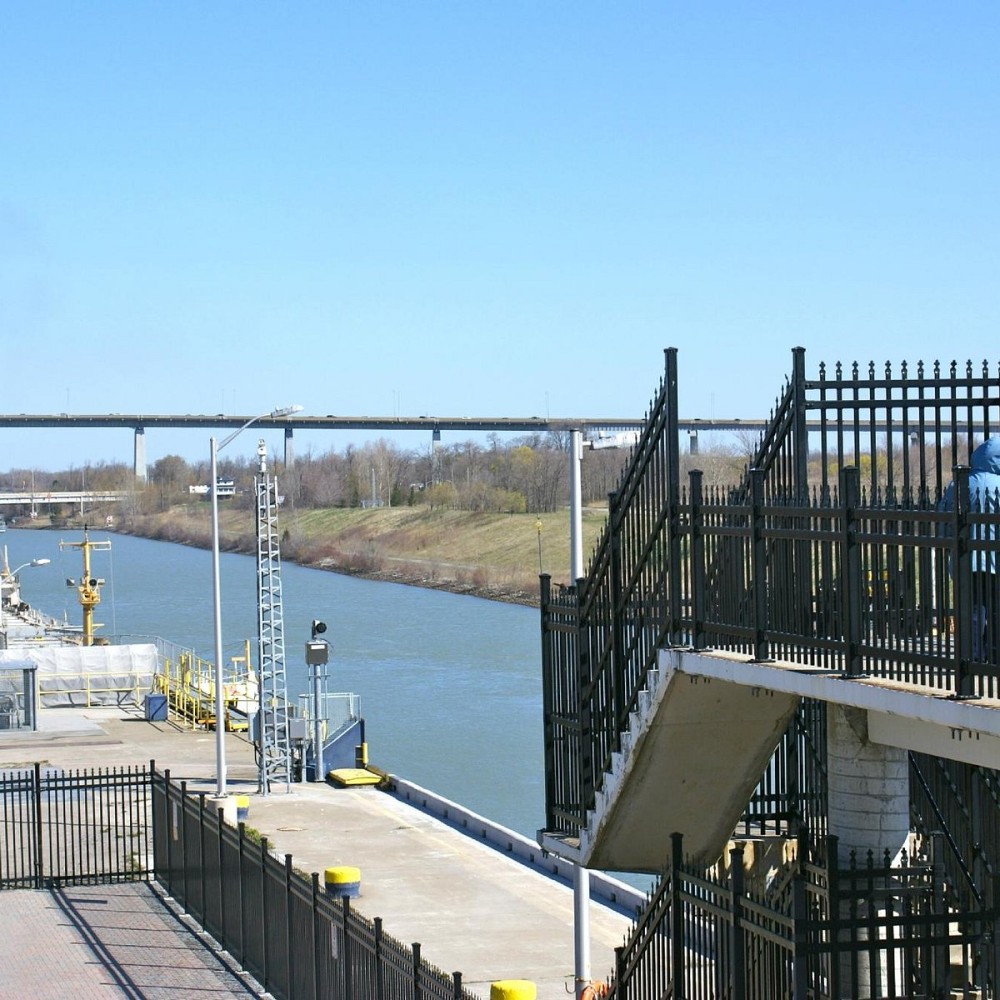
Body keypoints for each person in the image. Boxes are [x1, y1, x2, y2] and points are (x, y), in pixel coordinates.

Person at [942, 438, 1000, 661]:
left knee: (972, 609)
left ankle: (971, 654)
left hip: (964, 559)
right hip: (994, 561)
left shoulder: (958, 485)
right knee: (995, 607)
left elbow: (943, 521)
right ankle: (994, 654)